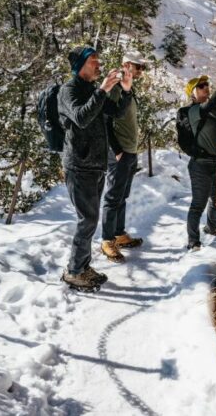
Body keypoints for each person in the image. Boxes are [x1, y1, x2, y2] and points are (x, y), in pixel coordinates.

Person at [58, 45, 133, 291]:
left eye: (98, 60)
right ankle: (74, 272)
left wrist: (126, 90)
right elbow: (81, 117)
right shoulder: (68, 90)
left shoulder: (92, 90)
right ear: (80, 65)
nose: (98, 64)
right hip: (79, 166)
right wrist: (102, 90)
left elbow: (116, 112)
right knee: (87, 219)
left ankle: (82, 266)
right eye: (93, 61)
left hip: (94, 166)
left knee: (89, 219)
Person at [100, 52, 150, 262]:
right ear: (127, 65)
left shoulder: (127, 87)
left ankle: (119, 234)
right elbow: (105, 118)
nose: (141, 71)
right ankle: (106, 240)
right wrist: (117, 149)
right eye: (139, 67)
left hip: (129, 150)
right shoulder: (115, 87)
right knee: (113, 197)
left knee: (122, 195)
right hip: (119, 151)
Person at [184, 67, 216, 251]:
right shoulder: (193, 110)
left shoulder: (214, 110)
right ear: (193, 93)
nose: (206, 87)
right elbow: (212, 101)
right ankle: (193, 241)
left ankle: (212, 228)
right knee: (198, 203)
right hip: (200, 165)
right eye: (201, 86)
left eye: (207, 85)